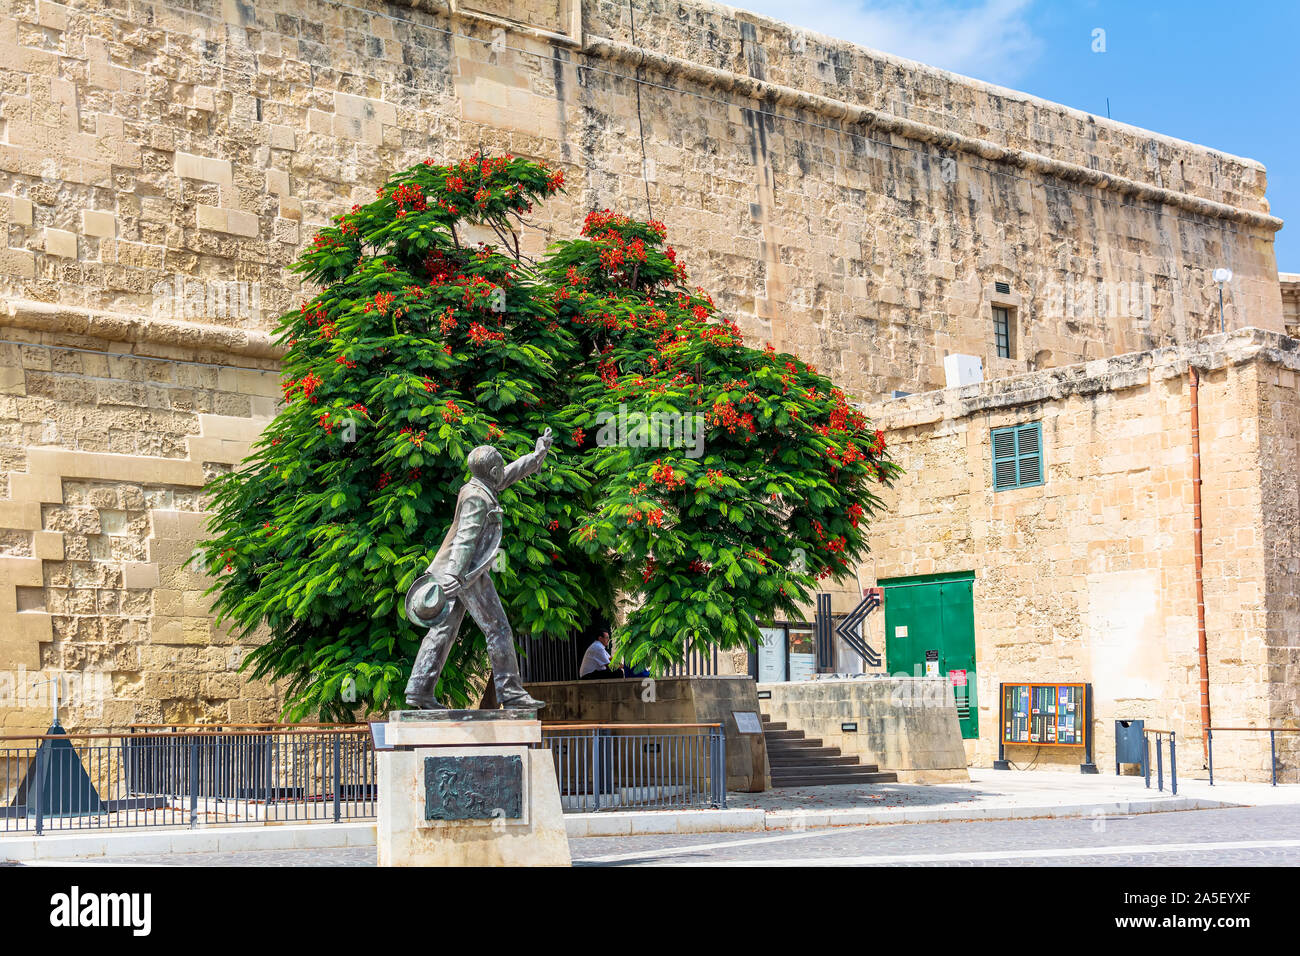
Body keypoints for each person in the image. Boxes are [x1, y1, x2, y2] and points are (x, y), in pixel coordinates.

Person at [403, 429, 553, 710]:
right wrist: (455, 578)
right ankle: (511, 693)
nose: (502, 472)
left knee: (443, 630)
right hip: (463, 574)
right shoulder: (477, 497)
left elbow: (510, 473)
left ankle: (419, 689)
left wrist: (537, 455)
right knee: (498, 628)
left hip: (458, 573)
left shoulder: (480, 485)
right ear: (491, 471)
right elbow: (465, 539)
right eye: (499, 468)